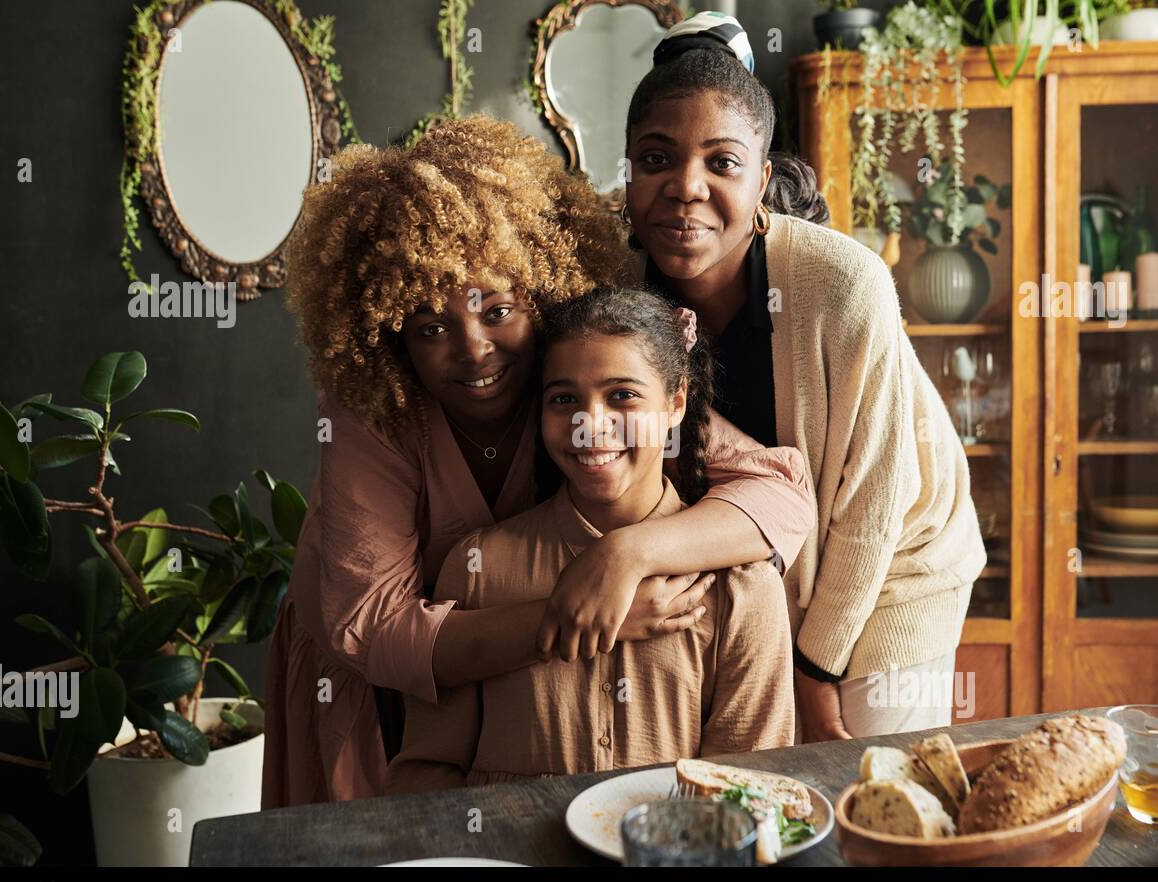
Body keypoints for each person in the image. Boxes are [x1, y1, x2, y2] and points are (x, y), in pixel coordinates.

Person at [263, 116, 814, 807]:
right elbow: (372, 629)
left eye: (497, 310)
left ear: (544, 293)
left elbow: (782, 495)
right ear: (389, 335)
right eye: (431, 327)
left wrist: (626, 558)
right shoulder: (371, 410)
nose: (475, 350)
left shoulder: (572, 383)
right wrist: (573, 614)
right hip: (362, 671)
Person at [621, 13, 987, 739]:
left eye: (721, 163)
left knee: (872, 792)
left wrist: (817, 671)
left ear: (761, 180)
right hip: (762, 570)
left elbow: (878, 497)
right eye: (657, 159)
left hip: (895, 565)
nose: (685, 187)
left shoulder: (842, 283)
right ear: (626, 171)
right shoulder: (620, 292)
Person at [386, 288, 795, 791]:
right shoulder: (477, 566)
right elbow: (429, 768)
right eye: (564, 399)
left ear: (676, 402)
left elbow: (744, 791)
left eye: (622, 395)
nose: (588, 424)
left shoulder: (745, 588)